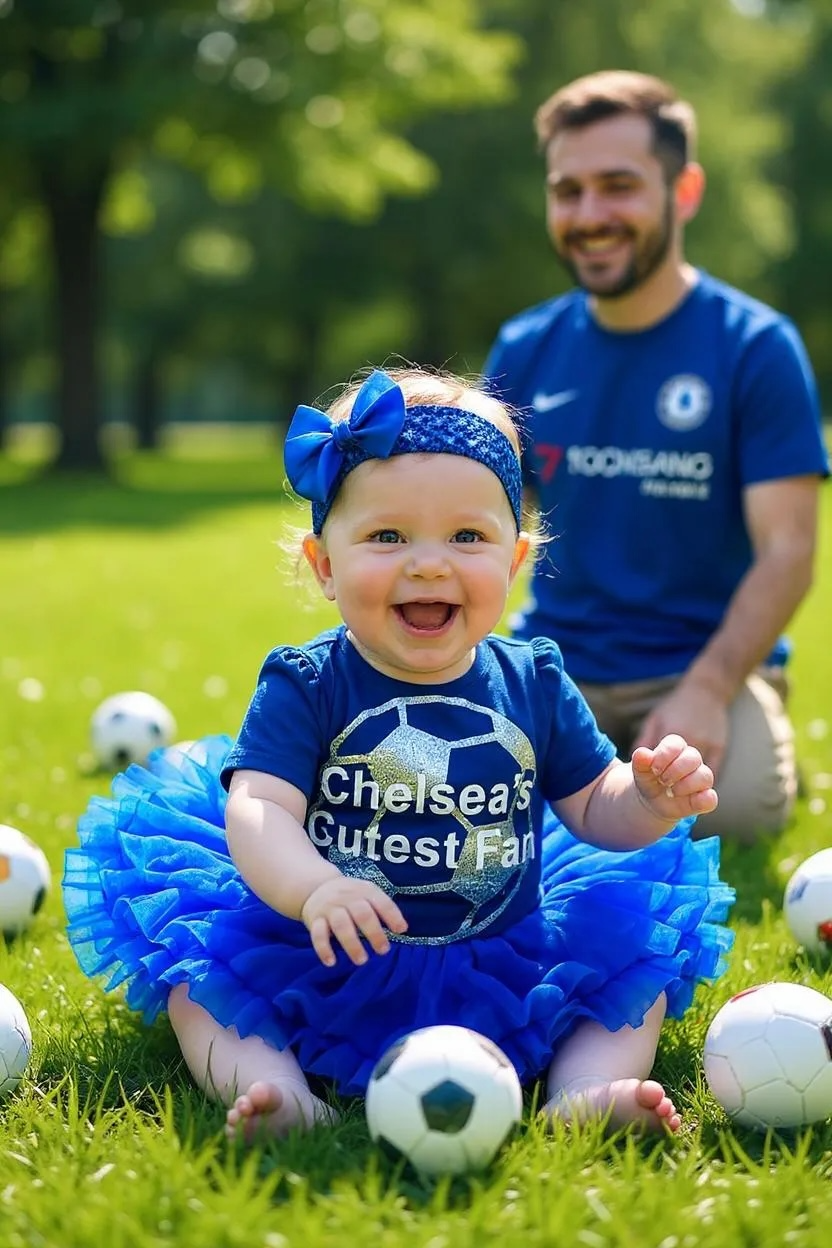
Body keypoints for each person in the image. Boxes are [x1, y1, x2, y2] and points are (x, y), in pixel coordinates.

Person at [63, 366, 735, 1145]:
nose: (428, 563)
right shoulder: (308, 683)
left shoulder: (536, 679)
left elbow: (592, 808)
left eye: (467, 537)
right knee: (204, 981)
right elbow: (259, 807)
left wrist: (646, 802)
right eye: (387, 536)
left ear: (514, 563)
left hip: (506, 944)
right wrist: (312, 888)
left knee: (630, 967)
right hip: (324, 939)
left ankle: (585, 1091)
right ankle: (278, 1093)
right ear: (323, 565)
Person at [483, 70, 829, 844]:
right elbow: (477, 524)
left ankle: (754, 723)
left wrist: (708, 689)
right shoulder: (525, 346)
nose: (590, 215)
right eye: (567, 191)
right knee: (456, 811)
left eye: (618, 186)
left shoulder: (756, 348)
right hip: (553, 668)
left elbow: (790, 551)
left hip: (697, 668)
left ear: (684, 191)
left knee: (729, 816)